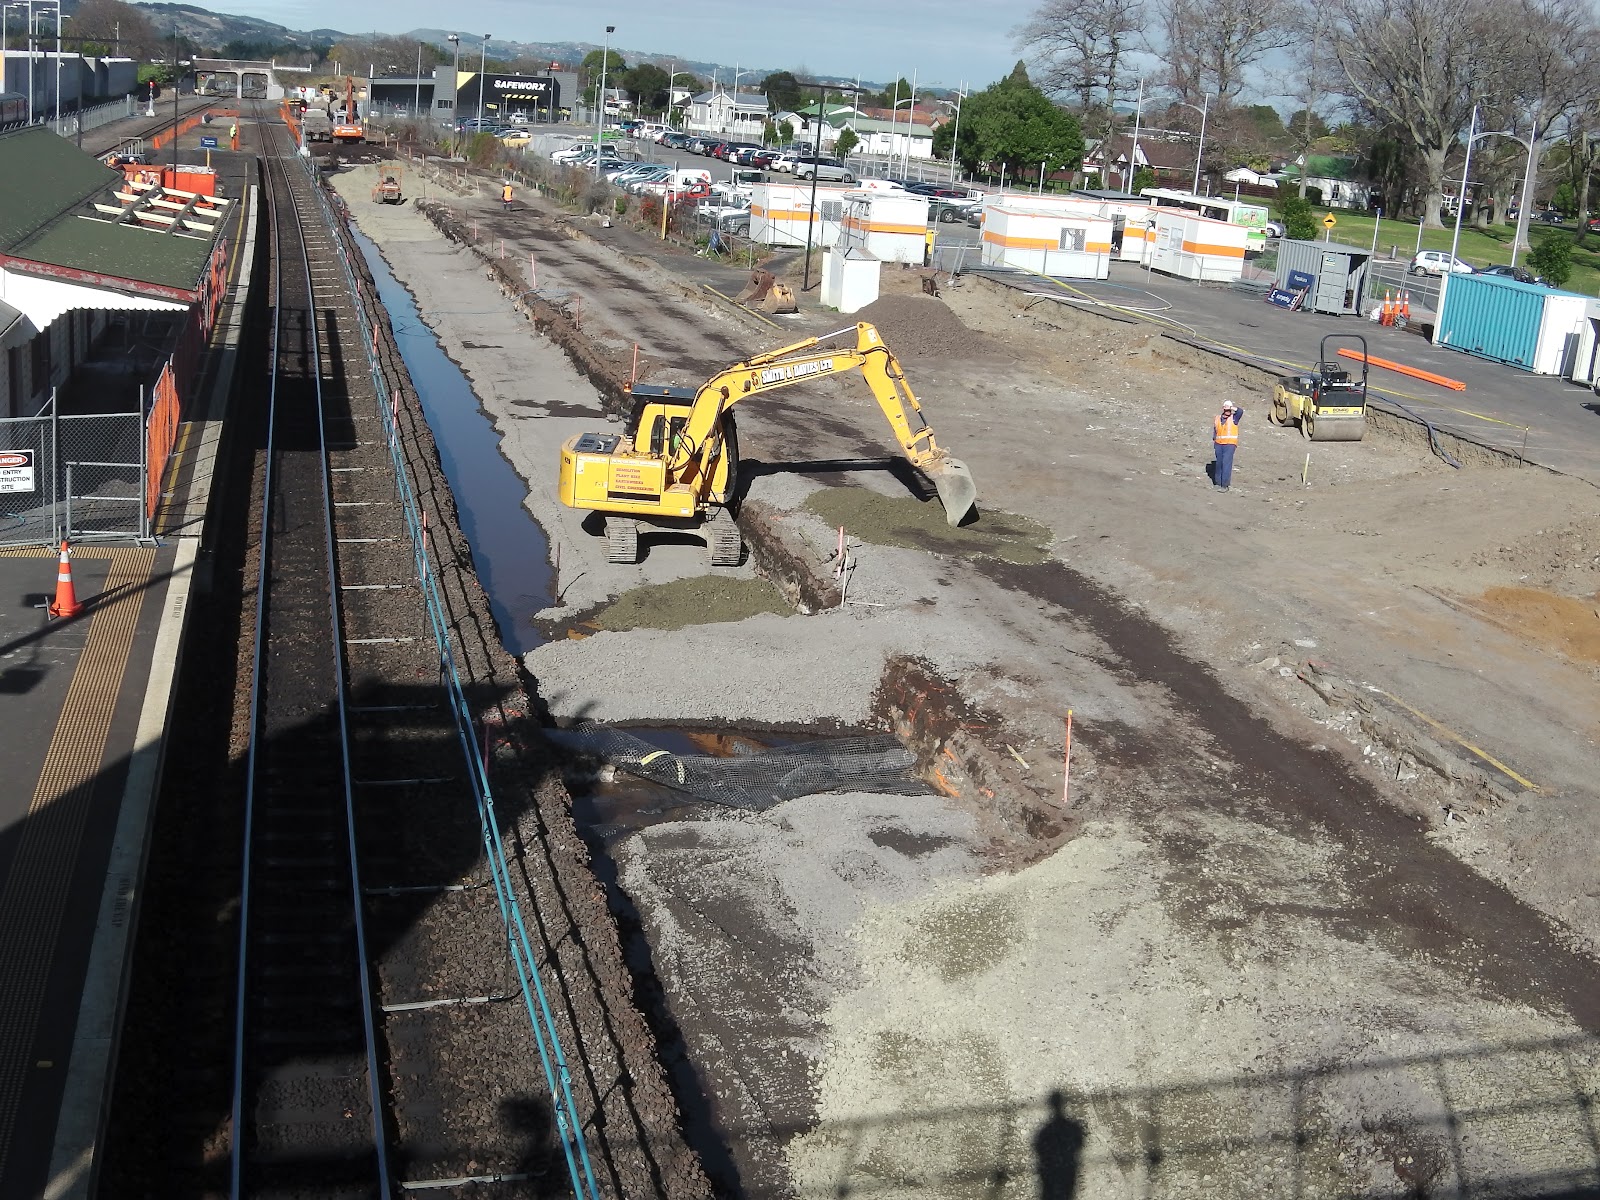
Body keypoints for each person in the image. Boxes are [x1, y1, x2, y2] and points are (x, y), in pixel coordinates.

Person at [1212, 399, 1242, 491]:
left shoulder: (1234, 418)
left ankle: (1224, 485)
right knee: (1219, 463)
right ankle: (1217, 483)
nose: (1228, 411)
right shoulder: (1217, 418)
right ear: (1223, 409)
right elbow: (1215, 431)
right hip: (1219, 444)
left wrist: (1231, 407)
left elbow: (1240, 411)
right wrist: (1214, 441)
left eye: (1229, 409)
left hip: (1229, 444)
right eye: (1226, 408)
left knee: (1226, 463)